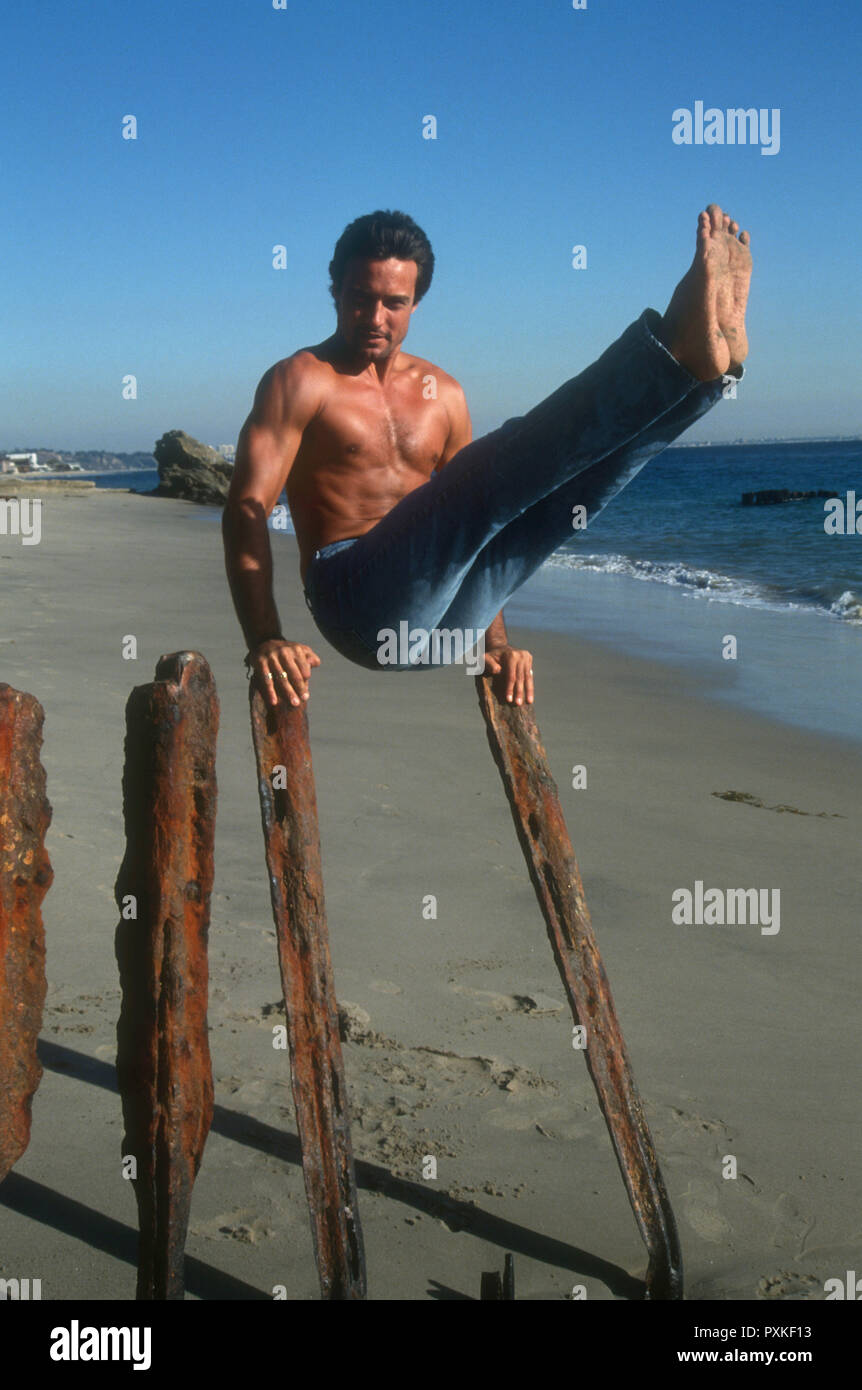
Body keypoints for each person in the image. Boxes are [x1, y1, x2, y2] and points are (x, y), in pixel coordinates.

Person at [223, 204, 751, 708]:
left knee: (566, 499)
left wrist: (495, 645)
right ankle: (669, 345)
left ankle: (700, 381)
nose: (375, 317)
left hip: (447, 630)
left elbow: (485, 524)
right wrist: (264, 637)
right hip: (358, 606)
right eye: (361, 298)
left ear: (415, 303)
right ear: (334, 290)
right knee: (488, 471)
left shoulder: (442, 392)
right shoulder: (301, 380)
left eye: (394, 302)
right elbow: (246, 508)